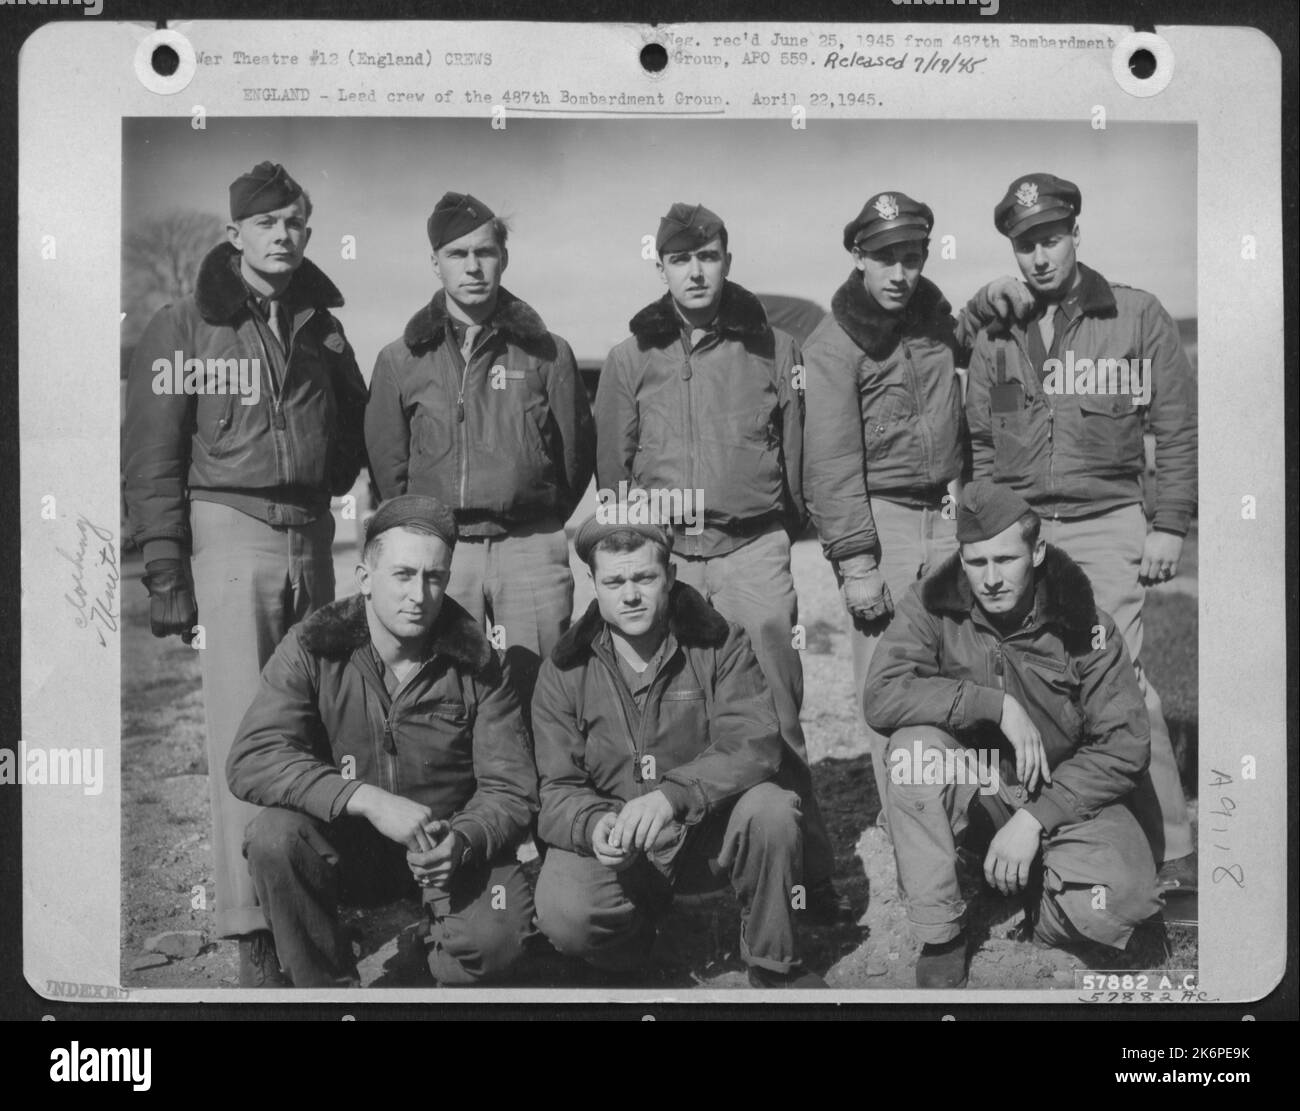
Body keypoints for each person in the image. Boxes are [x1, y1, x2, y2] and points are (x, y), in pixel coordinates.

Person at [122, 161, 369, 985]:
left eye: (297, 221)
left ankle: (313, 906)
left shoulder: (324, 325)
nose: (286, 236)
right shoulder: (182, 325)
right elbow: (153, 457)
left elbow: (357, 428)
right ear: (235, 234)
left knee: (317, 725)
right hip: (229, 529)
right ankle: (252, 934)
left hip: (311, 532)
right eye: (269, 224)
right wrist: (166, 569)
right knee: (245, 731)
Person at [594, 202, 843, 922]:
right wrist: (644, 555)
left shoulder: (774, 347)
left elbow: (796, 451)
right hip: (668, 555)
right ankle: (666, 873)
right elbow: (614, 473)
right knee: (669, 712)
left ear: (727, 260)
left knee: (776, 708)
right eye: (680, 259)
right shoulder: (629, 355)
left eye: (707, 256)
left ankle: (808, 872)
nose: (695, 271)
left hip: (750, 548)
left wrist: (778, 531)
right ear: (662, 266)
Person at [965, 173, 1198, 891]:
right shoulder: (998, 337)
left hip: (1104, 522)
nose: (1038, 256)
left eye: (1050, 238)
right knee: (1029, 679)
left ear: (1075, 233)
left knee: (1122, 681)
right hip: (1023, 530)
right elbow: (981, 445)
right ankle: (1058, 831)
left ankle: (1175, 852)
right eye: (1024, 243)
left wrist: (1167, 523)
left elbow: (1176, 428)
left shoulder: (1135, 315)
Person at [225, 495, 538, 988]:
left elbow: (512, 786)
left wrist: (464, 839)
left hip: (442, 850)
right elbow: (253, 757)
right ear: (365, 578)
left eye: (434, 577)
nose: (419, 594)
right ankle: (329, 993)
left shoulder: (476, 659)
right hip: (347, 847)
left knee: (496, 943)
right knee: (273, 837)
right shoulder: (313, 647)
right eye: (403, 574)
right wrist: (363, 798)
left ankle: (428, 949)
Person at [864, 481, 1163, 988]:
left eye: (1006, 560)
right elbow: (882, 695)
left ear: (1038, 551)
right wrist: (990, 704)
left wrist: (1035, 818)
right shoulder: (931, 606)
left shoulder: (1086, 623)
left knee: (1123, 901)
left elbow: (1123, 747)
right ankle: (942, 932)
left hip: (1066, 797)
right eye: (976, 563)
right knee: (912, 751)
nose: (992, 579)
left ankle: (1034, 893)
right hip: (979, 788)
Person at [803, 190, 1035, 824]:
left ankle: (974, 816)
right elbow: (830, 464)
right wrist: (855, 563)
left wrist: (988, 297)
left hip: (950, 511)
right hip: (885, 520)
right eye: (886, 259)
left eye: (913, 256)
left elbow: (961, 338)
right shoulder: (832, 346)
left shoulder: (930, 320)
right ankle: (912, 827)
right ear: (858, 256)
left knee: (962, 657)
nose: (901, 274)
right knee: (888, 676)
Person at [531, 513, 826, 988]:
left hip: (702, 831)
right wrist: (593, 825)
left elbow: (754, 741)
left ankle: (774, 962)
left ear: (669, 576)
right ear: (594, 583)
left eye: (645, 577)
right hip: (621, 845)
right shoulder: (564, 669)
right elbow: (556, 788)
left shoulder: (720, 641)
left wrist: (674, 795)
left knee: (772, 810)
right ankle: (633, 953)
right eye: (614, 581)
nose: (630, 594)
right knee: (565, 912)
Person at [366, 192, 595, 716]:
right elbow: (388, 465)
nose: (472, 266)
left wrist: (537, 510)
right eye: (456, 254)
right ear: (435, 263)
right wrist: (424, 534)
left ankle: (548, 796)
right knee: (446, 691)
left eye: (485, 252)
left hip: (530, 547)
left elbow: (576, 455)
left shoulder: (548, 352)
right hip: (443, 552)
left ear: (503, 258)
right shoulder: (400, 359)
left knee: (543, 694)